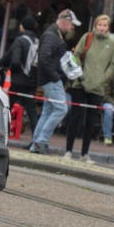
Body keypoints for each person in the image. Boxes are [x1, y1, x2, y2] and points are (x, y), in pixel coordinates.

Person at [64, 15, 114, 162]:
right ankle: (68, 150)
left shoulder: (112, 44)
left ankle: (84, 153)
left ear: (108, 27)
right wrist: (80, 74)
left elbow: (112, 65)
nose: (102, 27)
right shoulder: (87, 37)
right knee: (76, 118)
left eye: (105, 25)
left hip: (98, 88)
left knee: (91, 121)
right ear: (95, 25)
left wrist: (102, 79)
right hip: (81, 84)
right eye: (100, 24)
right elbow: (76, 55)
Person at [29, 9, 80, 154]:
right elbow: (44, 58)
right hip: (51, 80)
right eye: (71, 24)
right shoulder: (52, 36)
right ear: (65, 21)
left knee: (48, 111)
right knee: (60, 109)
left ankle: (36, 144)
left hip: (48, 79)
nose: (72, 28)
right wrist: (56, 77)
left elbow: (46, 58)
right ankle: (41, 141)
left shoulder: (52, 34)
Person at [0, 16, 40, 134]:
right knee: (32, 111)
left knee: (6, 107)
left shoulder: (20, 40)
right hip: (31, 81)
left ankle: (2, 133)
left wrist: (7, 68)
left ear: (22, 27)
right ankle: (36, 138)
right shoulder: (37, 41)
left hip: (18, 80)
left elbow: (14, 60)